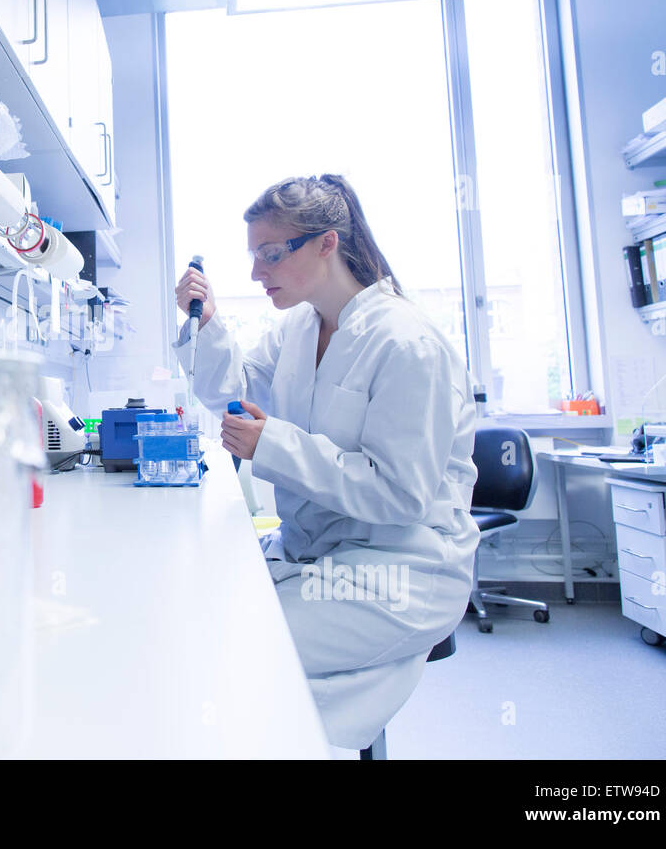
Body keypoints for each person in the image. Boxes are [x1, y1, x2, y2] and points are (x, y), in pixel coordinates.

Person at [172, 174, 479, 752]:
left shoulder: (406, 343)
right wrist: (208, 321)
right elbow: (234, 390)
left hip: (401, 568)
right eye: (253, 257)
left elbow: (400, 495)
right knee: (199, 609)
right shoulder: (299, 328)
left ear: (326, 243)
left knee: (231, 647)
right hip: (316, 549)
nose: (257, 273)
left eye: (269, 254)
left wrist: (274, 444)